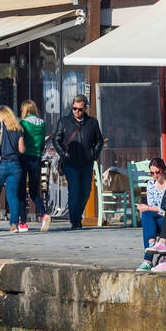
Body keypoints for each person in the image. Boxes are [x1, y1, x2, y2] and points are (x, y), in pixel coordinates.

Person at [53, 94, 104, 230]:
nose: (77, 111)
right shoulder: (64, 121)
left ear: (85, 108)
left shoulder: (92, 122)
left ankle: (77, 215)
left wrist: (94, 154)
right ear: (72, 107)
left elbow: (99, 140)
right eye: (74, 108)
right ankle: (75, 220)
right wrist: (64, 154)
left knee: (86, 191)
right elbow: (56, 140)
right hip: (71, 162)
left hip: (87, 161)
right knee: (75, 190)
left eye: (80, 109)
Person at [17, 99, 50, 232]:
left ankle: (23, 223)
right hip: (36, 158)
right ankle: (44, 214)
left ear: (25, 110)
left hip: (23, 158)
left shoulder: (23, 123)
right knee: (34, 191)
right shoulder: (42, 124)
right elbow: (42, 143)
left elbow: (20, 141)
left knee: (20, 191)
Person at [135, 157, 166, 263]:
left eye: (157, 172)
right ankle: (152, 242)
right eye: (152, 173)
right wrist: (148, 208)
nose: (155, 176)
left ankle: (147, 261)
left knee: (147, 216)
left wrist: (149, 208)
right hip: (159, 216)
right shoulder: (151, 184)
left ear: (163, 170)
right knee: (146, 214)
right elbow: (152, 206)